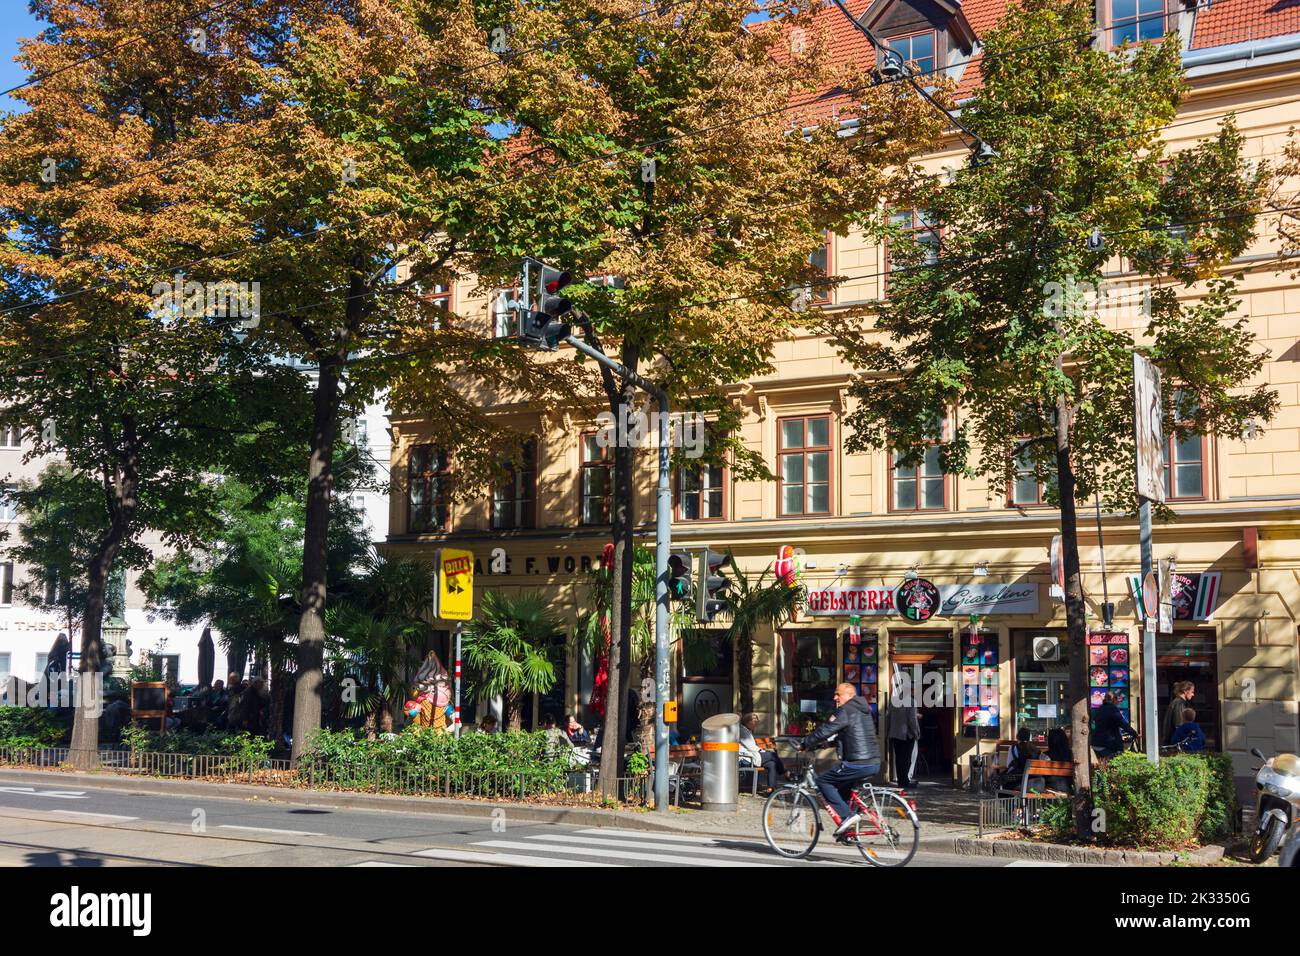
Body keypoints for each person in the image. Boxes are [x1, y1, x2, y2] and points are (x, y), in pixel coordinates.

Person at [798, 683, 881, 837]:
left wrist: (805, 743)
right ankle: (848, 833)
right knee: (842, 792)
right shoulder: (862, 709)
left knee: (823, 782)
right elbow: (850, 735)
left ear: (850, 695)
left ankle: (847, 817)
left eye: (838, 694)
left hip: (857, 763)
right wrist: (826, 745)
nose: (835, 698)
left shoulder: (846, 710)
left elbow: (826, 730)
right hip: (872, 762)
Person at [739, 713, 785, 792]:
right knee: (772, 755)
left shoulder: (746, 730)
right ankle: (785, 773)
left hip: (753, 755)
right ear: (748, 722)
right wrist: (764, 751)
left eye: (757, 722)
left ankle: (771, 788)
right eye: (755, 722)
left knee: (772, 764)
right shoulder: (742, 731)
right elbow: (751, 747)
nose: (756, 724)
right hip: (747, 758)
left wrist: (764, 751)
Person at [886, 695, 921, 789]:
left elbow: (888, 717)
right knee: (906, 759)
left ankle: (901, 781)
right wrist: (916, 733)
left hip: (895, 734)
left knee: (899, 758)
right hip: (907, 734)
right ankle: (905, 781)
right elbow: (912, 719)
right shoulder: (912, 701)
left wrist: (888, 731)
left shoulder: (893, 701)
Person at [1093, 693, 1138, 758]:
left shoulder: (1100, 708)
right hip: (1108, 744)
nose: (1118, 702)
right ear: (1114, 700)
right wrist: (1135, 734)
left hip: (1096, 743)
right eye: (1117, 700)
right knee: (1116, 762)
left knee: (1104, 764)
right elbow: (1123, 724)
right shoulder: (1113, 709)